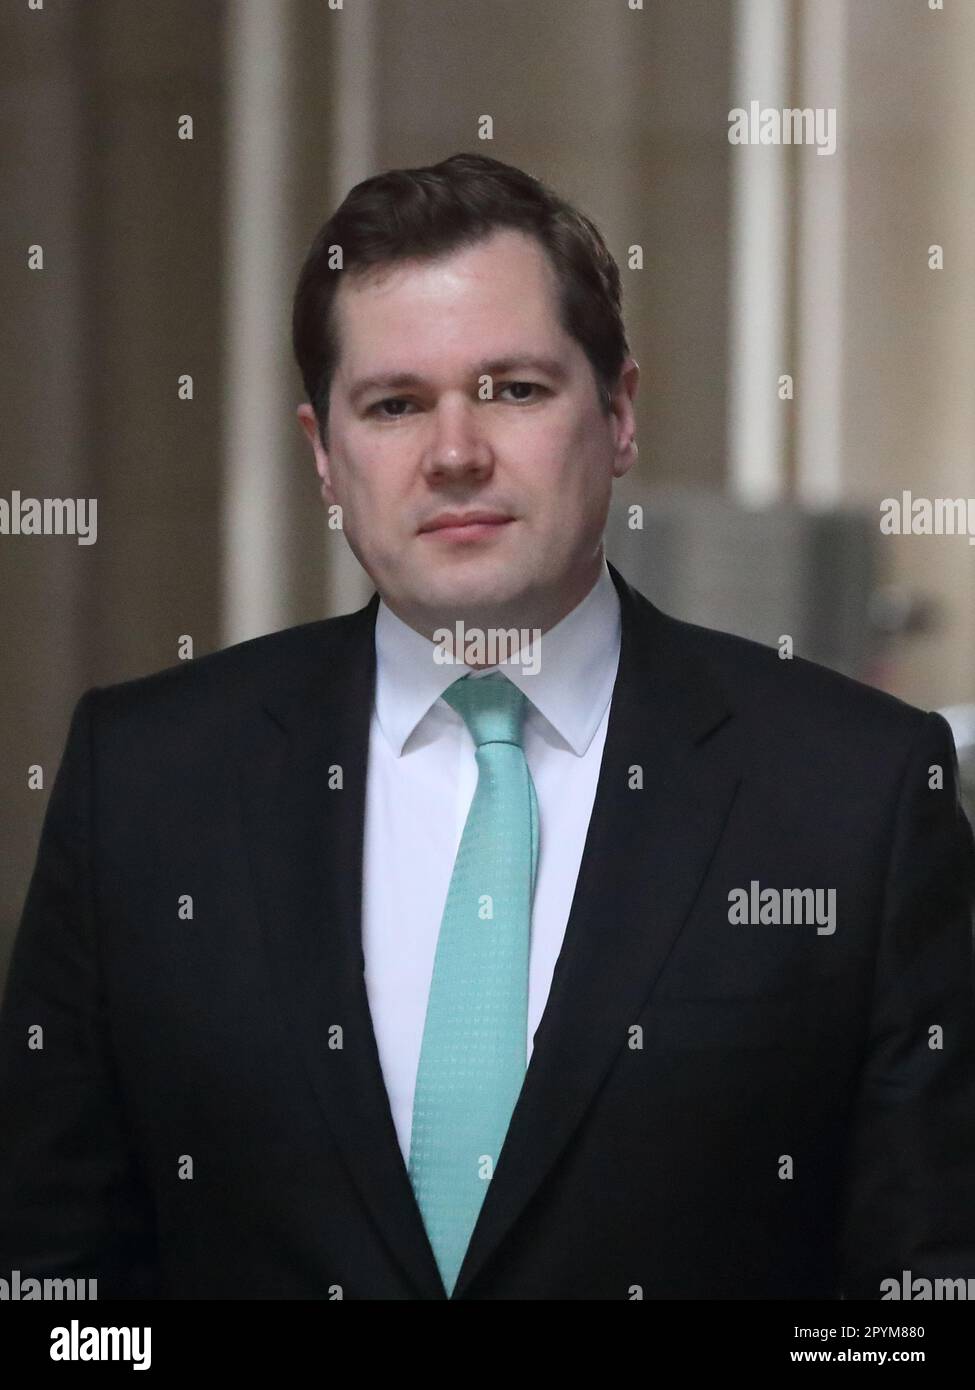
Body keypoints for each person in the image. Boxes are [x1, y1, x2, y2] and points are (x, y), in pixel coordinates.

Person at [1, 152, 974, 1301]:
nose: (455, 452)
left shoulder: (854, 791)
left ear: (618, 414)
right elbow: (56, 1284)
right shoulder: (147, 779)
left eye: (513, 388)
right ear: (324, 453)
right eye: (396, 404)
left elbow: (921, 1299)